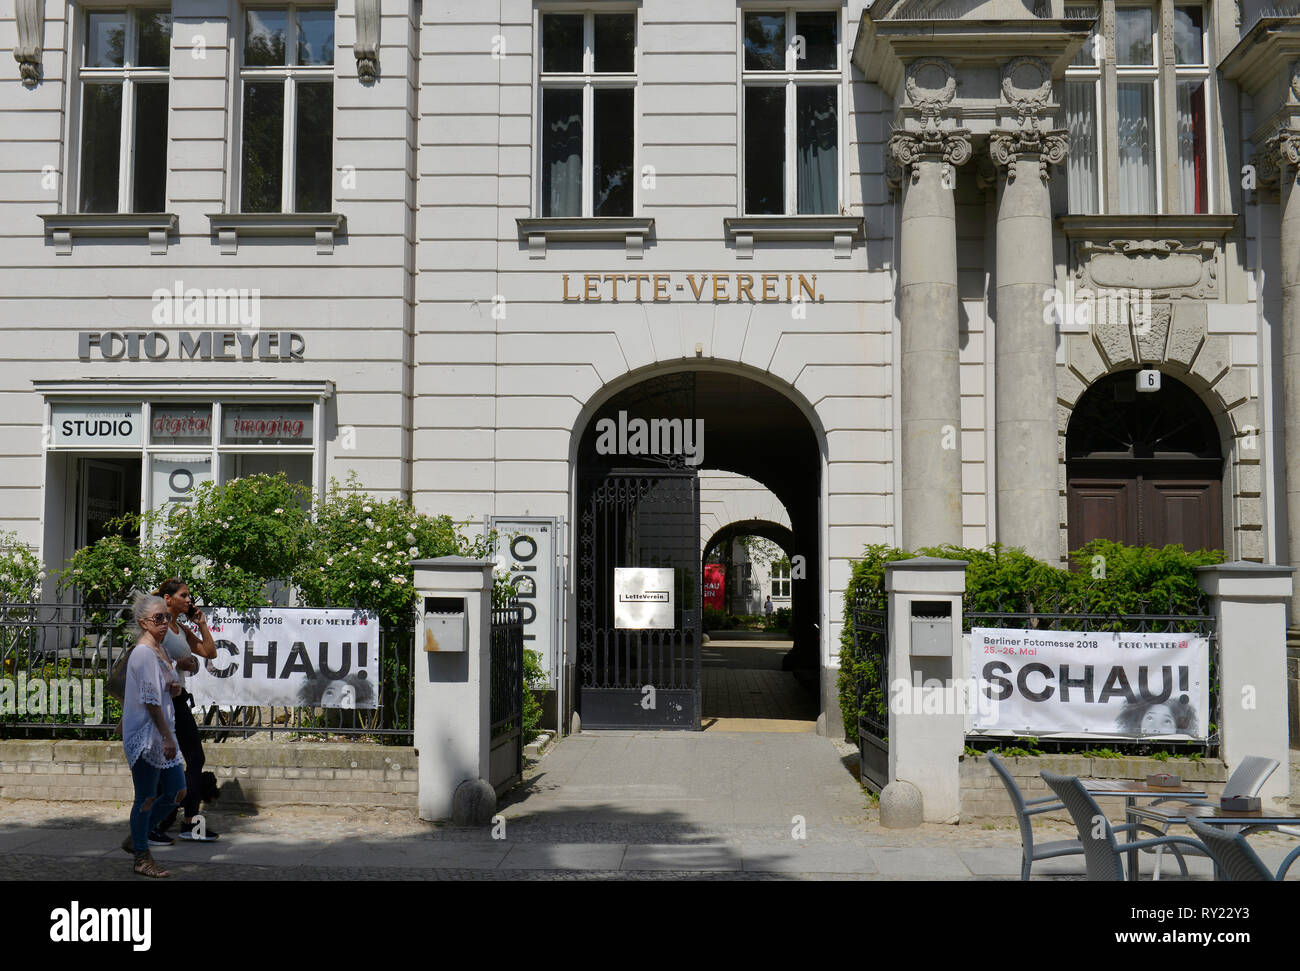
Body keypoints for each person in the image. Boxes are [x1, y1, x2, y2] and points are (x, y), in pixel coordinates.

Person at [120, 594, 185, 877]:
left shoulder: (161, 649)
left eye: (166, 617)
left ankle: (137, 837)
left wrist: (174, 687)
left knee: (177, 791)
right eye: (158, 618)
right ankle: (142, 857)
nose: (164, 622)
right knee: (146, 797)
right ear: (143, 622)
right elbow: (150, 699)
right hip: (148, 736)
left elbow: (167, 687)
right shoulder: (144, 652)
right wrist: (167, 736)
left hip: (161, 733)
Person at [154, 578, 221, 841]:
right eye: (183, 595)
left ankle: (188, 821)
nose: (189, 600)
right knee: (167, 761)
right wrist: (177, 661)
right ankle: (165, 820)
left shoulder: (180, 629)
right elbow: (149, 657)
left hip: (179, 699)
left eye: (189, 596)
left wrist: (202, 623)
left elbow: (210, 652)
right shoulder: (158, 628)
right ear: (168, 599)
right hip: (162, 700)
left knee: (194, 758)